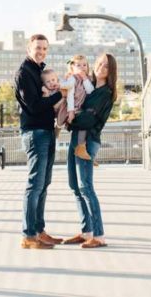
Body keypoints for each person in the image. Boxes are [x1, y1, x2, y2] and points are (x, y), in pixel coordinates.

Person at [15, 34, 64, 249]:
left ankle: (39, 230)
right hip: (35, 133)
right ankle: (28, 235)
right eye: (38, 48)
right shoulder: (24, 73)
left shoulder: (40, 71)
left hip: (47, 131)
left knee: (44, 184)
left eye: (45, 48)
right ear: (29, 48)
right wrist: (59, 95)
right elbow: (34, 106)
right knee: (35, 185)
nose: (41, 51)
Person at [64, 52, 117, 248]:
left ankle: (99, 235)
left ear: (110, 72)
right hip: (75, 138)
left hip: (87, 142)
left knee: (86, 187)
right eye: (99, 63)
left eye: (106, 66)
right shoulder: (88, 85)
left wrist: (70, 120)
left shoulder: (105, 93)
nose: (101, 67)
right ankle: (86, 231)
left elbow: (89, 118)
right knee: (75, 186)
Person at [56, 55, 94, 159]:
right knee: (61, 120)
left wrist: (85, 78)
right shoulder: (73, 78)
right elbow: (70, 95)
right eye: (79, 65)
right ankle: (57, 132)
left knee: (83, 125)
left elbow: (90, 91)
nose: (82, 67)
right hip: (73, 106)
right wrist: (71, 111)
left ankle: (81, 147)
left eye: (84, 65)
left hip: (83, 107)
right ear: (72, 68)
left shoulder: (88, 79)